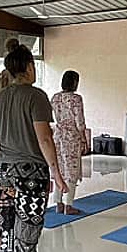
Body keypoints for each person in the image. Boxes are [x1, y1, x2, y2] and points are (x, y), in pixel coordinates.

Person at [0, 43, 67, 252]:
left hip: (3, 171)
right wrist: (56, 172)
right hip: (30, 173)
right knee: (27, 232)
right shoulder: (36, 96)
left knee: (5, 231)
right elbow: (44, 139)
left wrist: (2, 165)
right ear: (29, 67)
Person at [50, 70, 87, 215]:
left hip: (58, 136)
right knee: (71, 170)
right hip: (71, 137)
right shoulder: (76, 99)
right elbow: (80, 122)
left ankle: (58, 203)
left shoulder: (55, 97)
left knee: (59, 169)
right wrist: (84, 139)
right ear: (75, 82)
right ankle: (69, 205)